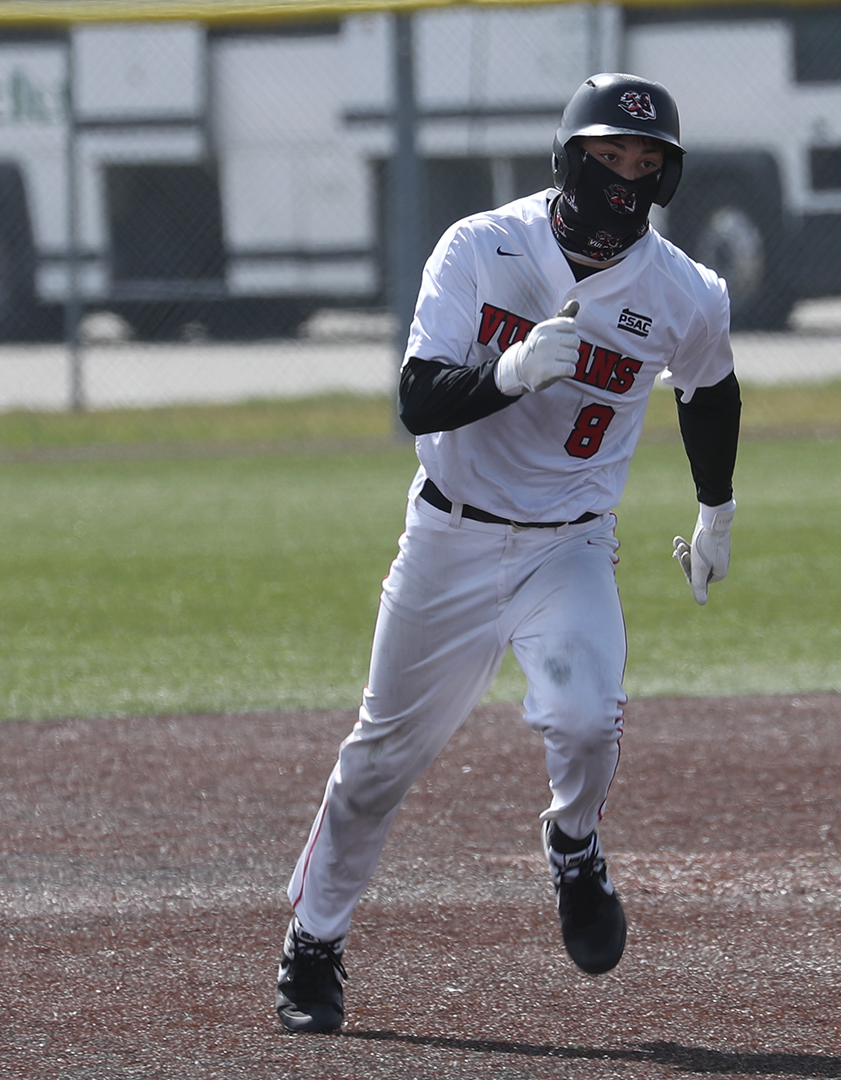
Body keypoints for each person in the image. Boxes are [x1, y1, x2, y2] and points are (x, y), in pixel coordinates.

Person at [275, 72, 741, 1034]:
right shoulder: (483, 247)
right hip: (449, 533)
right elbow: (417, 395)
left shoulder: (684, 291)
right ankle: (314, 941)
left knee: (582, 720)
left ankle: (574, 846)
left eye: (646, 163)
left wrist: (717, 514)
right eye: (609, 155)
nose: (626, 176)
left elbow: (711, 388)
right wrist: (511, 370)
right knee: (379, 761)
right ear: (570, 158)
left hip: (566, 546)